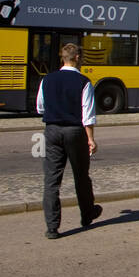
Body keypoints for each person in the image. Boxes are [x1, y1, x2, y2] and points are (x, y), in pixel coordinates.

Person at [36, 43, 101, 238]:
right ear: (77, 58)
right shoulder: (84, 82)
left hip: (52, 131)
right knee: (81, 175)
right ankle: (87, 214)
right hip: (75, 132)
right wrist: (91, 139)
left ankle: (52, 227)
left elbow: (40, 107)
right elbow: (87, 114)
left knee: (51, 179)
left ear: (63, 58)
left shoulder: (46, 80)